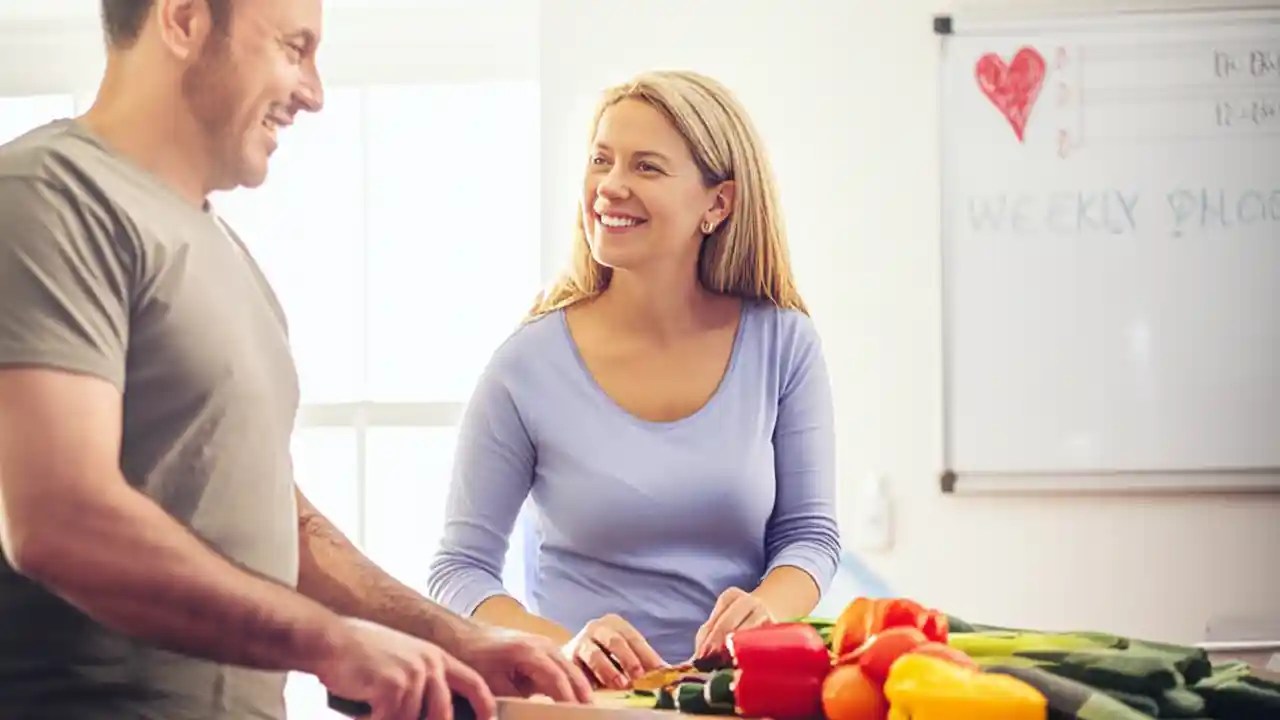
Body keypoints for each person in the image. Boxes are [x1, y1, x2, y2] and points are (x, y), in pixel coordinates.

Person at [0, 1, 591, 719]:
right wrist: (333, 642)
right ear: (184, 20)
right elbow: (60, 518)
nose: (313, 92)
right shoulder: (48, 197)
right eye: (293, 48)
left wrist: (455, 636)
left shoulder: (223, 253)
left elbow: (281, 521)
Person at [428, 69, 843, 690]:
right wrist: (563, 646)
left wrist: (770, 610)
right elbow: (458, 570)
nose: (609, 187)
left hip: (736, 696)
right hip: (582, 702)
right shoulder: (526, 365)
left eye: (646, 167)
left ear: (718, 203)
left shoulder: (783, 344)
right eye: (601, 160)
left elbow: (809, 535)